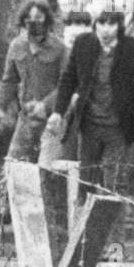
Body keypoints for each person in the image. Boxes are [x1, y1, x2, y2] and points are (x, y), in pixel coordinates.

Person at [48, 0, 134, 242]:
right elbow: (68, 80)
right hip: (88, 126)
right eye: (102, 23)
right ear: (95, 24)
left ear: (120, 26)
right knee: (85, 183)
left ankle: (114, 247)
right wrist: (58, 111)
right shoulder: (83, 44)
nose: (106, 29)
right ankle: (84, 242)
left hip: (119, 128)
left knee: (114, 185)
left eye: (112, 23)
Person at [0, 0, 67, 164]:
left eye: (39, 18)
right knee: (13, 166)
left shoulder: (59, 48)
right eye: (29, 19)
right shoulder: (16, 46)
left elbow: (65, 85)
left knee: (47, 169)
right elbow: (8, 80)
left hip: (51, 119)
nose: (33, 24)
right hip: (25, 117)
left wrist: (45, 105)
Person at [37, 11, 94, 166]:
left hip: (71, 122)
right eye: (70, 26)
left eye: (82, 27)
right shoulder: (54, 53)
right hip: (44, 118)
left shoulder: (90, 56)